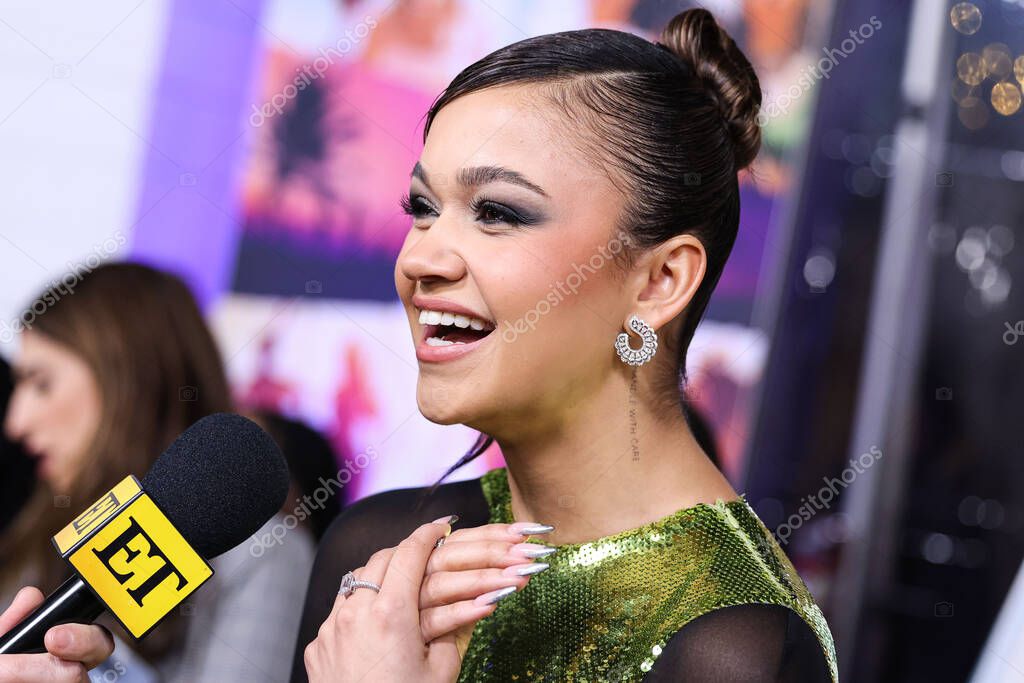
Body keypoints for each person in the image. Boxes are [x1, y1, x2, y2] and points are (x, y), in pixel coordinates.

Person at [295, 8, 837, 683]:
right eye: (423, 209)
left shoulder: (734, 644)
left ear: (661, 281)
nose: (420, 259)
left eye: (497, 212)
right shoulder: (381, 557)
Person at [0, 262, 313, 682]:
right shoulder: (41, 530)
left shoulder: (265, 555)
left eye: (41, 383)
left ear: (128, 381)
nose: (16, 423)